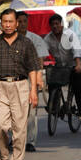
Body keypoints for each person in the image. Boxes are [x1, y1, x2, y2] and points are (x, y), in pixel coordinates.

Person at [0, 9, 40, 160]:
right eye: (4, 21)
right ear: (1, 23)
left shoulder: (26, 43)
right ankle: (2, 158)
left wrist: (33, 91)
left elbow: (33, 68)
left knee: (19, 129)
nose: (7, 25)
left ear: (16, 23)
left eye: (10, 22)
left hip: (20, 86)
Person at [45, 13, 81, 118]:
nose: (55, 26)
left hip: (75, 64)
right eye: (52, 24)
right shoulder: (48, 38)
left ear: (61, 24)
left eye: (57, 24)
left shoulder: (69, 34)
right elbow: (42, 52)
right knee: (52, 82)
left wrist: (78, 64)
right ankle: (53, 106)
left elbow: (77, 49)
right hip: (61, 66)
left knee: (78, 85)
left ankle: (80, 107)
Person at [23, 24, 49, 152]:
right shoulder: (9, 39)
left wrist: (38, 77)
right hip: (14, 79)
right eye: (20, 21)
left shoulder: (35, 39)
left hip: (30, 77)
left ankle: (30, 141)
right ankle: (15, 138)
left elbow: (40, 59)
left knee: (31, 111)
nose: (22, 24)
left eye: (24, 21)